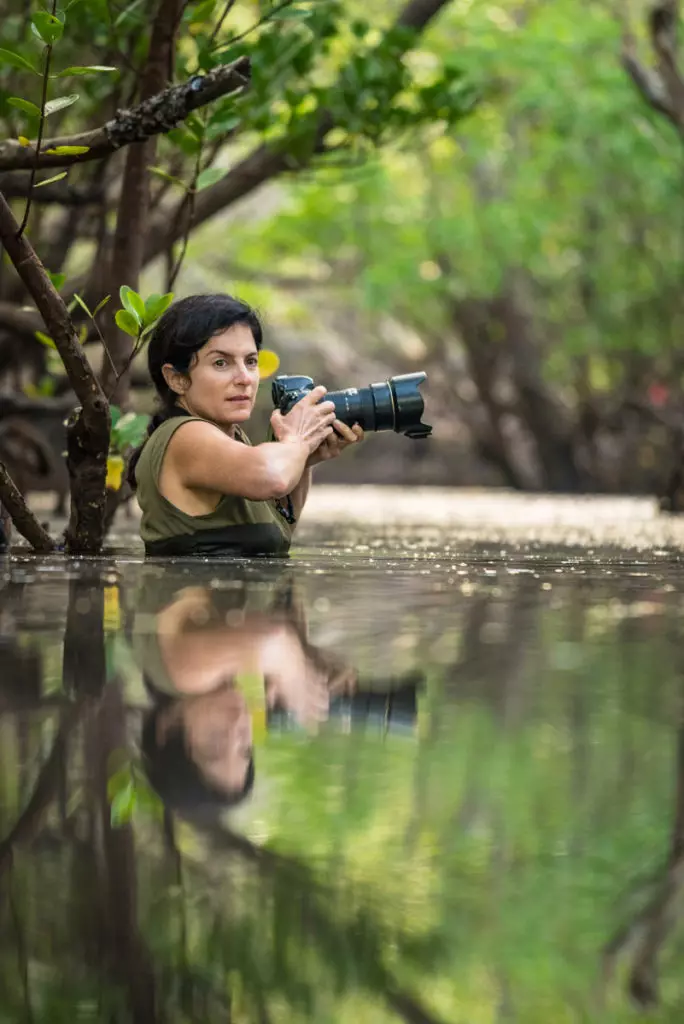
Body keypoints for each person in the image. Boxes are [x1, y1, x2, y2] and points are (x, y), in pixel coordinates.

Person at [127, 293, 364, 556]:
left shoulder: (234, 442)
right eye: (221, 363)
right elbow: (272, 478)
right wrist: (297, 440)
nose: (244, 378)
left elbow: (278, 534)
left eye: (250, 361)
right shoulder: (185, 435)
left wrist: (304, 457)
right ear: (176, 379)